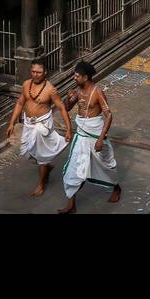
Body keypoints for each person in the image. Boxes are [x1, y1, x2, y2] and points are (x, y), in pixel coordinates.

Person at [59, 61, 120, 213]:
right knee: (72, 168)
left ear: (86, 77)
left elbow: (109, 115)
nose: (74, 78)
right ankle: (71, 204)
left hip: (95, 133)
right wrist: (68, 98)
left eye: (77, 75)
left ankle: (116, 187)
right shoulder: (77, 91)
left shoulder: (98, 92)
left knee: (105, 164)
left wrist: (101, 139)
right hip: (81, 135)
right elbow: (66, 108)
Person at [6, 62, 71, 196]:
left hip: (42, 125)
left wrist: (69, 129)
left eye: (38, 72)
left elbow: (61, 107)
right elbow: (19, 103)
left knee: (42, 156)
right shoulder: (26, 84)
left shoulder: (50, 89)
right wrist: (11, 123)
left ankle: (41, 183)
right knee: (26, 151)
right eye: (33, 71)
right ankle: (46, 166)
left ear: (45, 72)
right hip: (28, 123)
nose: (35, 74)